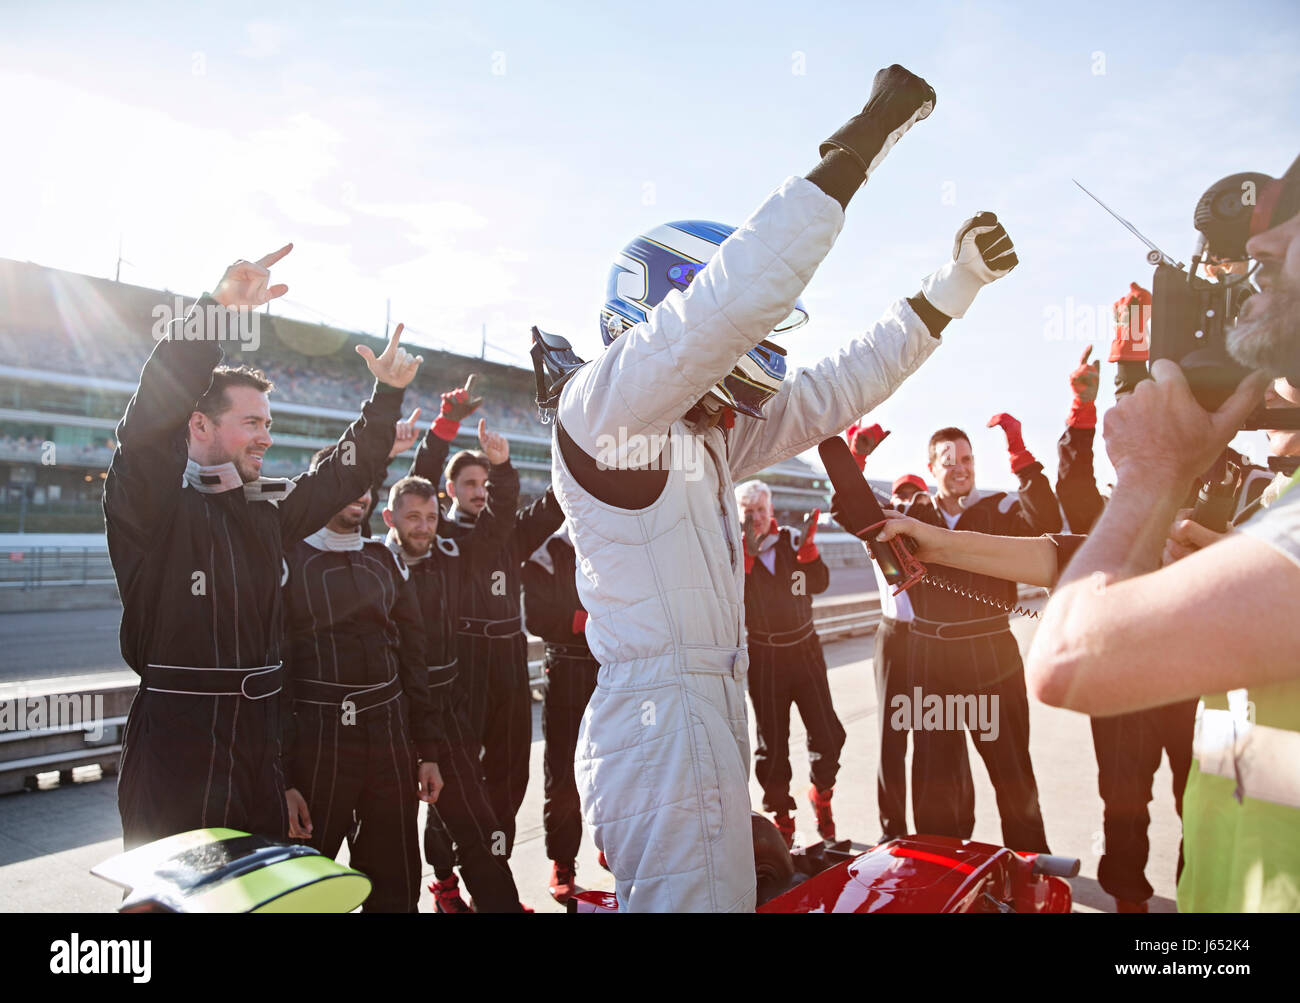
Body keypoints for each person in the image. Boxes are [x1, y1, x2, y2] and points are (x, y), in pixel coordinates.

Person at [541, 64, 1023, 912]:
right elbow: (735, 298)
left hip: (702, 708)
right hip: (661, 724)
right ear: (661, 312)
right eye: (747, 333)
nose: (760, 355)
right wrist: (862, 142)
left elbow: (838, 386)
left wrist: (955, 289)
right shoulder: (599, 408)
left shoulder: (698, 441)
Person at [105, 244, 420, 848]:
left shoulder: (265, 510)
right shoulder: (149, 501)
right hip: (177, 748)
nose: (266, 439)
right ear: (200, 425)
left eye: (269, 425)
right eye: (253, 423)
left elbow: (339, 477)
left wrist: (384, 399)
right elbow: (147, 422)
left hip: (261, 748)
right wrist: (218, 314)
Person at [405, 381, 564, 863]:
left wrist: (590, 446)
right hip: (459, 665)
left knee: (512, 772)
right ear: (449, 491)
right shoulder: (439, 533)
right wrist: (446, 423)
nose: (480, 491)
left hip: (509, 663)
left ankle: (493, 867)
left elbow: (560, 501)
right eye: (469, 484)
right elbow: (417, 480)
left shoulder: (510, 534)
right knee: (453, 776)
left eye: (486, 484)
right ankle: (445, 874)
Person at [886, 418, 1060, 853]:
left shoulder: (1001, 508)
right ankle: (941, 868)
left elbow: (1049, 522)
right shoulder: (911, 517)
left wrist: (1022, 458)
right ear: (931, 468)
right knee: (935, 780)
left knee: (1013, 773)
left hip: (991, 657)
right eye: (949, 461)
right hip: (931, 659)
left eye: (967, 458)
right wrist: (854, 458)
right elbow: (866, 535)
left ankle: (1030, 867)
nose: (960, 468)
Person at [281, 449, 441, 913]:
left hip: (389, 744)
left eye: (365, 481)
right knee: (303, 887)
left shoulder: (385, 561)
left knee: (396, 883)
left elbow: (415, 663)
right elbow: (276, 675)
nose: (359, 491)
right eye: (345, 480)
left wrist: (428, 751)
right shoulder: (289, 561)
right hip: (317, 746)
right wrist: (284, 779)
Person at [382, 469, 525, 913]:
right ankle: (437, 888)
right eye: (412, 518)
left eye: (430, 516)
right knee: (388, 845)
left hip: (448, 714)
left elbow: (497, 526)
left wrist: (501, 472)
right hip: (388, 720)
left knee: (479, 828)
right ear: (390, 518)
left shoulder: (450, 557)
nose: (423, 526)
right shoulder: (374, 566)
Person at [735, 480, 843, 849]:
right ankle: (782, 819)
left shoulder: (794, 541)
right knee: (773, 748)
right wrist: (745, 565)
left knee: (828, 735)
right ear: (738, 515)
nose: (756, 519)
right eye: (748, 513)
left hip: (804, 649)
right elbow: (731, 608)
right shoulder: (730, 553)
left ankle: (821, 794)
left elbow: (818, 583)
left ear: (772, 511)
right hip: (764, 657)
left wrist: (809, 555)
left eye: (761, 511)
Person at [521, 522, 600, 903]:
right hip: (566, 670)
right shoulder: (545, 551)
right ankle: (563, 860)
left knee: (622, 766)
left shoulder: (615, 538)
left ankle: (616, 843)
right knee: (563, 773)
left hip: (612, 669)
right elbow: (537, 617)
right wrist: (592, 622)